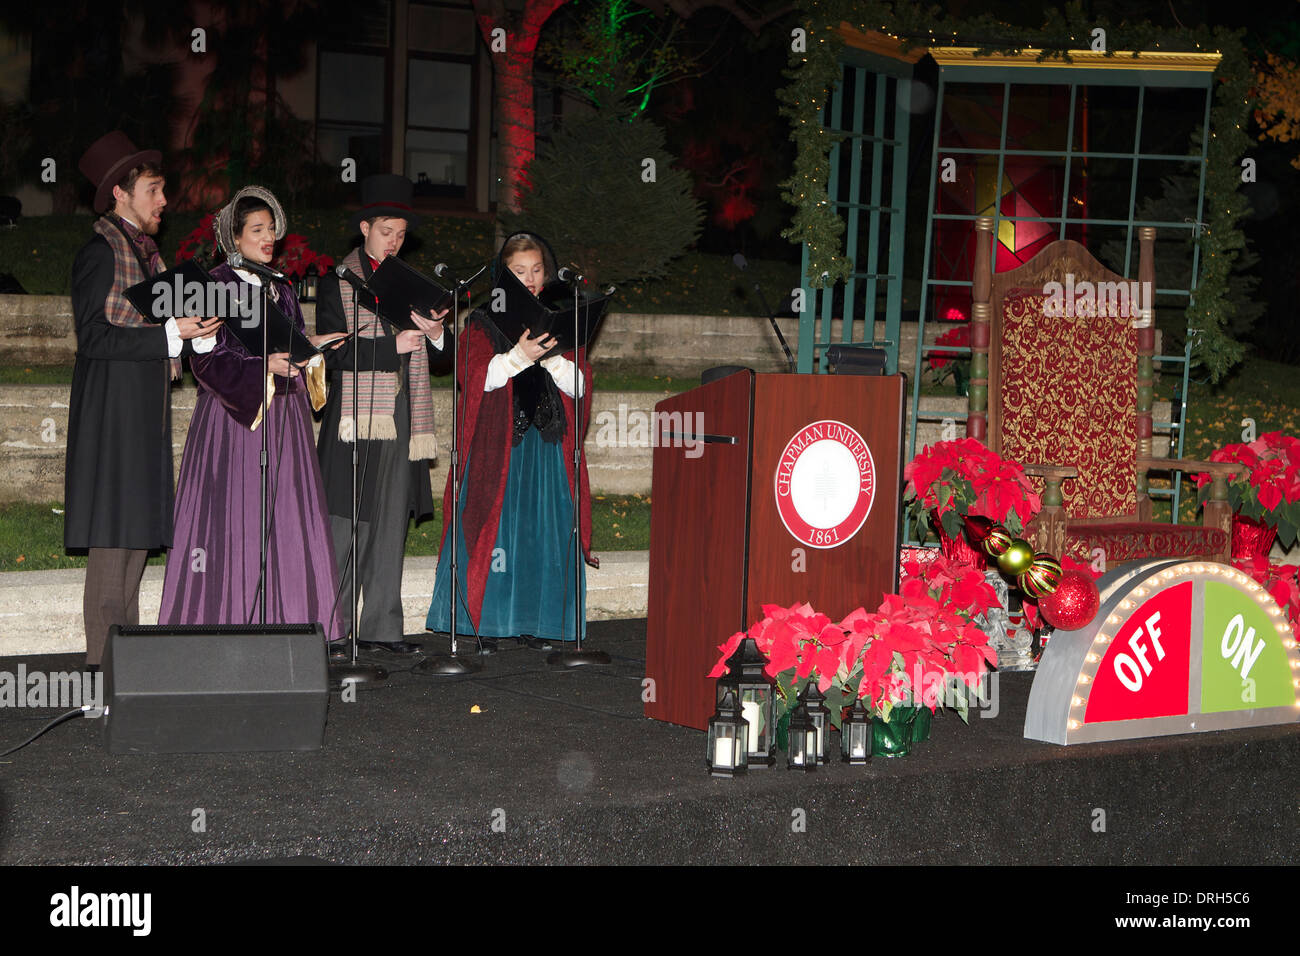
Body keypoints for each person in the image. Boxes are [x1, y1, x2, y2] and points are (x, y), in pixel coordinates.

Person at [158, 186, 346, 642]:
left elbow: (293, 342)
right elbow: (205, 360)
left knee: (283, 519)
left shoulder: (280, 287)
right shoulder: (217, 285)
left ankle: (283, 623)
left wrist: (313, 350)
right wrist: (265, 367)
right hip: (233, 420)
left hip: (284, 419)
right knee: (232, 520)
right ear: (234, 237)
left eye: (271, 231)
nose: (268, 239)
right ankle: (224, 621)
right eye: (257, 231)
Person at [65, 131, 220, 669]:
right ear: (120, 194)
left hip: (140, 414)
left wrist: (193, 333)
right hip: (112, 418)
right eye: (154, 190)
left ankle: (122, 669)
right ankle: (101, 671)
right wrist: (169, 334)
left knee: (133, 541)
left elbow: (154, 329)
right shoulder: (99, 253)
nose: (164, 201)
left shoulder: (147, 255)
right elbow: (95, 338)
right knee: (114, 542)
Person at [425, 232, 597, 652]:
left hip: (548, 451)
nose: (532, 279)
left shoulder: (563, 317)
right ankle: (487, 622)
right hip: (499, 450)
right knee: (494, 533)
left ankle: (538, 621)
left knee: (544, 535)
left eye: (537, 270)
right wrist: (518, 357)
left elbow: (580, 387)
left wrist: (553, 359)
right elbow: (475, 377)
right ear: (505, 275)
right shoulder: (484, 320)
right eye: (520, 272)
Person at [316, 174, 449, 655]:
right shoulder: (337, 281)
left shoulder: (412, 283)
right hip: (352, 415)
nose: (394, 241)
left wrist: (435, 334)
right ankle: (333, 627)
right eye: (385, 230)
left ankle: (381, 628)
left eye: (400, 234)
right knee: (344, 522)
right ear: (365, 227)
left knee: (390, 521)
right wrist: (389, 345)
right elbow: (329, 354)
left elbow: (441, 357)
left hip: (400, 414)